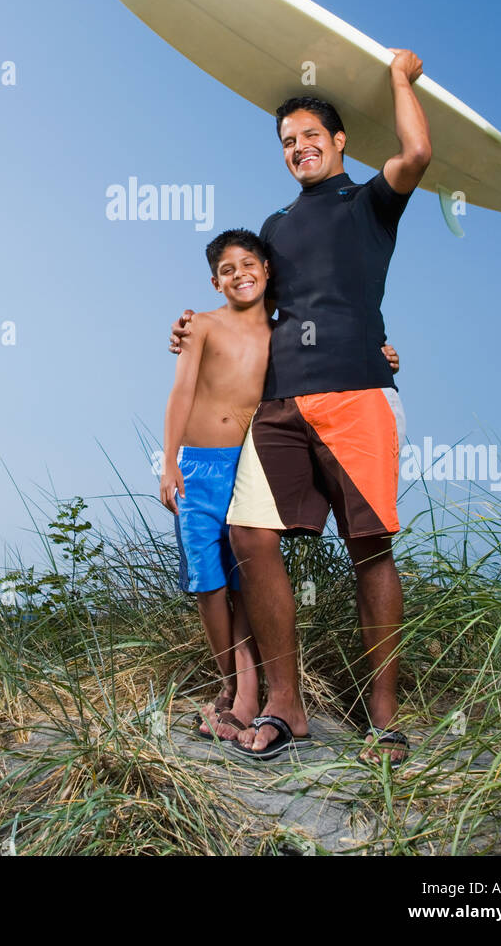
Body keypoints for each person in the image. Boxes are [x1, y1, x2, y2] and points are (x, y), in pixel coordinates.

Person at [170, 49, 430, 765]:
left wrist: (400, 81)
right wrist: (198, 329)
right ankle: (287, 707)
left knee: (369, 549)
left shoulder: (372, 201)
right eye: (287, 142)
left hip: (357, 395)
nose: (299, 149)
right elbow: (258, 308)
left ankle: (383, 720)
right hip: (280, 402)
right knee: (250, 536)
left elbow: (419, 150)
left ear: (340, 142)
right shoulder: (276, 225)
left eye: (311, 136)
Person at [162, 228, 402, 744]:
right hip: (198, 466)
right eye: (227, 270)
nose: (240, 274)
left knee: (246, 569)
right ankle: (231, 686)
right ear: (214, 281)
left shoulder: (281, 333)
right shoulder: (201, 325)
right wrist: (168, 463)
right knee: (208, 577)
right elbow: (181, 390)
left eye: (249, 265)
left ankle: (246, 691)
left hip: (245, 458)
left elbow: (328, 346)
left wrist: (378, 356)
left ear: (267, 271)